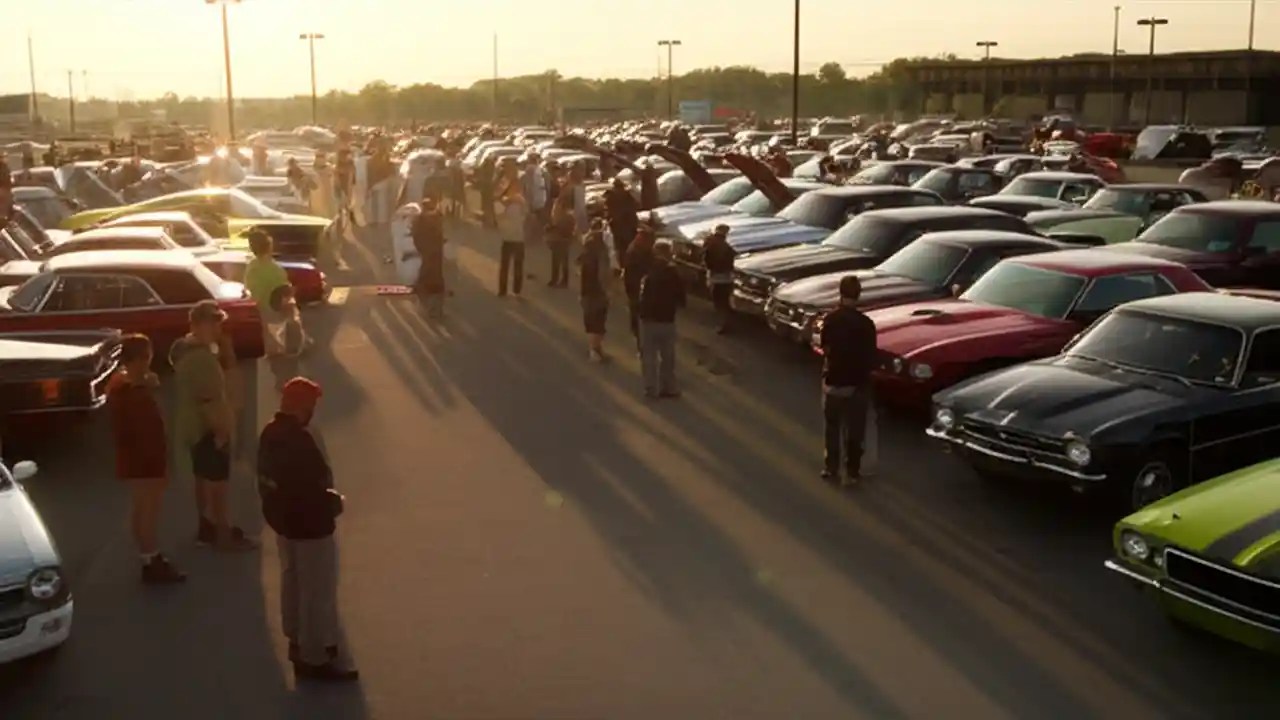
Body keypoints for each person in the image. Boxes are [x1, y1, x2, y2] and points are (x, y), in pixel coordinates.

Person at [258, 377, 358, 683]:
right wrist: (334, 503)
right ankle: (316, 657)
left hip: (284, 524)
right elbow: (312, 487)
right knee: (318, 590)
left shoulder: (270, 433)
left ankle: (296, 641)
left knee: (293, 581)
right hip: (312, 527)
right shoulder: (300, 441)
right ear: (302, 406)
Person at [170, 300, 259, 551]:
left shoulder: (183, 349)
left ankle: (205, 527)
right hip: (209, 429)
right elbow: (208, 398)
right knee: (217, 485)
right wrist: (221, 432)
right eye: (213, 323)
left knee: (202, 480)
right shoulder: (202, 359)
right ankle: (224, 535)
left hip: (191, 428)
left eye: (220, 322)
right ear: (198, 324)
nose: (219, 327)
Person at [107, 334, 186, 585]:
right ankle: (150, 559)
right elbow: (145, 430)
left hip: (133, 456)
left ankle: (147, 556)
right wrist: (161, 465)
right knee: (148, 510)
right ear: (141, 358)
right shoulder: (133, 392)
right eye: (148, 357)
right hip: (145, 458)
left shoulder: (122, 384)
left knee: (141, 507)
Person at [817, 275, 877, 486]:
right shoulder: (866, 324)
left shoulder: (831, 319)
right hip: (857, 384)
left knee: (832, 427)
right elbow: (871, 356)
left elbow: (824, 348)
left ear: (840, 293)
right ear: (858, 295)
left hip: (833, 381)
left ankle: (831, 467)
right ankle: (852, 471)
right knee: (855, 430)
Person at [637, 240, 686, 398]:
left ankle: (651, 388)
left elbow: (642, 295)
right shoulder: (674, 273)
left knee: (649, 355)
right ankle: (669, 386)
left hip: (649, 319)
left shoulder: (648, 271)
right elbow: (681, 298)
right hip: (667, 318)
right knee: (668, 356)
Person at [579, 218, 613, 363]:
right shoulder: (601, 251)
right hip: (597, 291)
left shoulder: (586, 248)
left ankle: (596, 349)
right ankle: (595, 351)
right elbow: (602, 273)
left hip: (586, 290)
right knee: (598, 322)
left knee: (592, 321)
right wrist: (607, 290)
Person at [411, 198, 448, 318]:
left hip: (428, 253)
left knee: (426, 276)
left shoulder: (419, 220)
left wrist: (420, 248)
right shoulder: (434, 218)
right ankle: (435, 309)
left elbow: (416, 237)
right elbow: (440, 235)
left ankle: (428, 306)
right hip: (434, 253)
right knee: (435, 278)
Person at [244, 230, 291, 323]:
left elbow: (249, 290)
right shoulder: (276, 270)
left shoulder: (251, 267)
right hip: (274, 319)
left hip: (256, 318)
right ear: (269, 246)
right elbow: (285, 298)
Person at [622, 226, 656, 352]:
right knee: (641, 317)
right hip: (639, 289)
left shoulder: (635, 249)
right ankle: (642, 345)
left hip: (636, 289)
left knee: (638, 317)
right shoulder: (640, 252)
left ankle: (641, 343)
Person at [702, 224, 736, 334]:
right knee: (724, 302)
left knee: (719, 302)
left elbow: (706, 258)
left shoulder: (710, 242)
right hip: (726, 277)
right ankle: (725, 323)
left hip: (715, 277)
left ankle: (723, 324)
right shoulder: (726, 247)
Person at [496, 187, 528, 297]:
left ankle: (502, 290)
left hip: (507, 238)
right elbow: (527, 217)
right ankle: (517, 290)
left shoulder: (506, 206)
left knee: (505, 265)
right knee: (518, 265)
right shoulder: (522, 207)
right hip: (519, 239)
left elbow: (498, 214)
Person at [604, 177, 639, 260]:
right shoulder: (626, 196)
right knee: (623, 247)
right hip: (623, 227)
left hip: (623, 227)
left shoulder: (614, 197)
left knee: (623, 248)